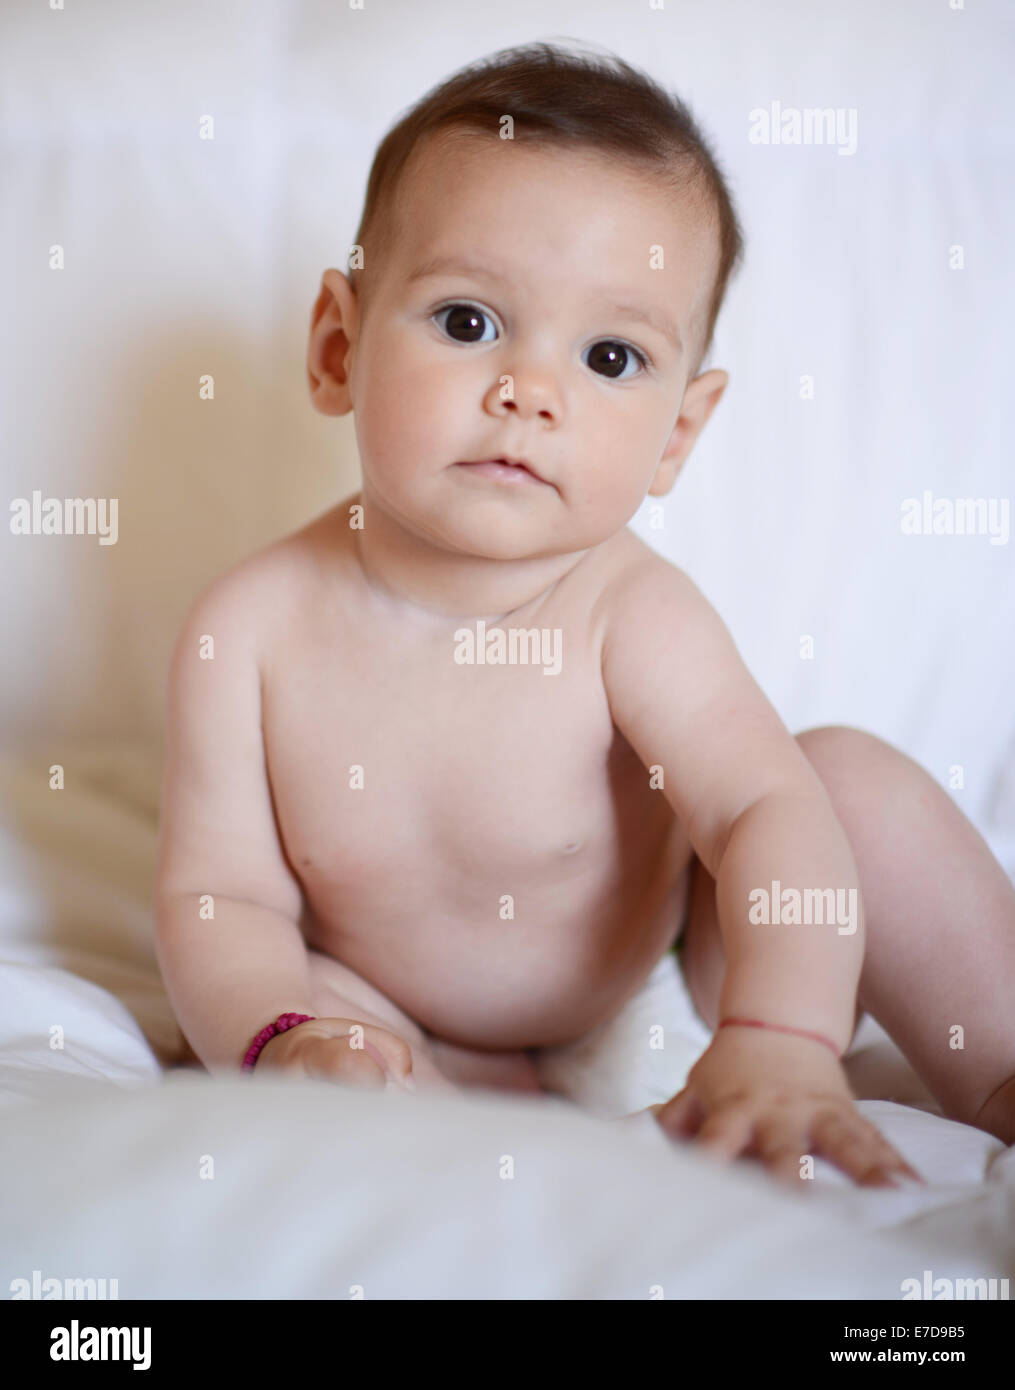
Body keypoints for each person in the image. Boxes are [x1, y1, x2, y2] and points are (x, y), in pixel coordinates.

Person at [155, 43, 1015, 1190]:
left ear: (675, 435)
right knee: (304, 1039)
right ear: (338, 345)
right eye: (467, 322)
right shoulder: (249, 628)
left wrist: (778, 1032)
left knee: (840, 782)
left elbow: (760, 810)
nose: (530, 390)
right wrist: (281, 1036)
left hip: (669, 992)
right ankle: (357, 1080)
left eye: (610, 355)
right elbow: (223, 893)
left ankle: (998, 1065)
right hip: (388, 1009)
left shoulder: (629, 611)